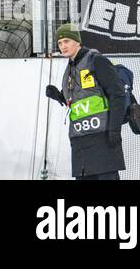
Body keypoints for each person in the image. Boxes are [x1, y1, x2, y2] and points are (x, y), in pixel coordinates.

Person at [43, 24, 127, 180]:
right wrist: (59, 96)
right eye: (60, 43)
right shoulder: (69, 69)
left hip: (102, 138)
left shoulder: (96, 61)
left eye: (67, 41)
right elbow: (80, 98)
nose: (63, 46)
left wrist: (114, 129)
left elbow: (118, 94)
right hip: (80, 141)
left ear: (77, 41)